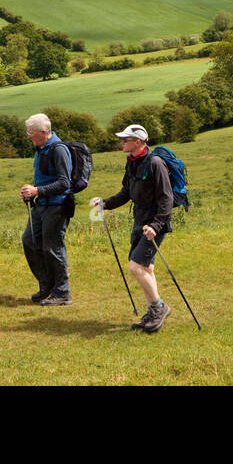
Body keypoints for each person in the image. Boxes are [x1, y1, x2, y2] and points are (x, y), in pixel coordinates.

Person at [90, 124, 174, 333]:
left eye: (125, 140)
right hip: (139, 221)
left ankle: (159, 307)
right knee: (146, 268)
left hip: (154, 224)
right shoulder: (132, 162)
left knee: (136, 267)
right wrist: (105, 203)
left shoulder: (155, 163)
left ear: (138, 142)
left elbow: (167, 199)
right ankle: (152, 311)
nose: (121, 143)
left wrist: (156, 225)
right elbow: (126, 192)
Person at [19, 113, 73, 306]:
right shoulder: (40, 148)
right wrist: (30, 191)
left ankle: (62, 293)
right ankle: (47, 287)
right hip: (41, 205)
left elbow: (64, 183)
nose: (28, 136)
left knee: (53, 248)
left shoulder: (58, 150)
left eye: (31, 133)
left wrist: (37, 190)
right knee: (29, 241)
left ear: (43, 132)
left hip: (57, 206)